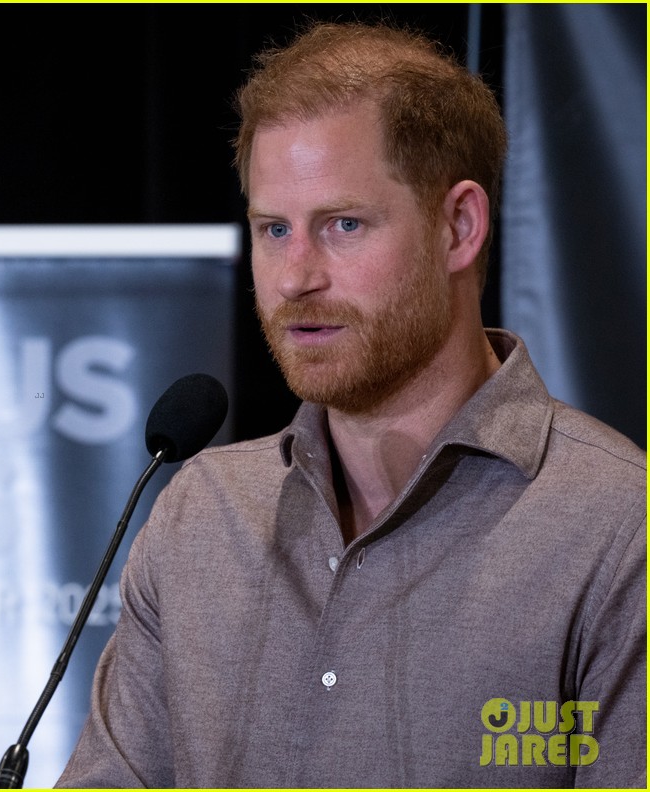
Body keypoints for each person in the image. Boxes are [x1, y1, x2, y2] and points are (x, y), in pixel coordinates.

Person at [56, 20, 645, 788]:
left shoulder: (616, 527)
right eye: (274, 229)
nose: (295, 276)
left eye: (343, 225)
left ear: (458, 226)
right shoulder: (202, 517)